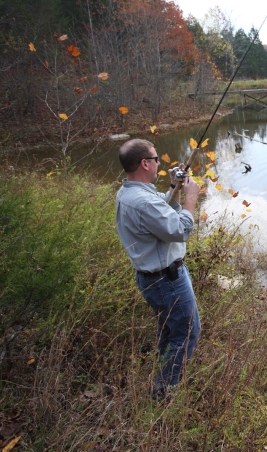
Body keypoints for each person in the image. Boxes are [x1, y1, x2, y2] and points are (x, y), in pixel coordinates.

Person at [115, 138, 201, 397]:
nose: (158, 163)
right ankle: (164, 389)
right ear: (144, 163)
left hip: (155, 279)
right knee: (187, 333)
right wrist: (190, 197)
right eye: (155, 159)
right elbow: (179, 229)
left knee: (169, 330)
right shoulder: (142, 201)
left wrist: (174, 187)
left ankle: (163, 374)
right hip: (167, 281)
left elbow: (160, 211)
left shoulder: (131, 193)